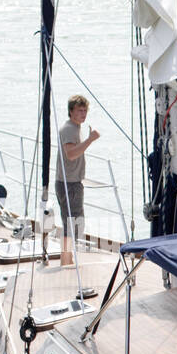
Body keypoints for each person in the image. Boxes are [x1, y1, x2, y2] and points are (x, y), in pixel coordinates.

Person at [55, 94, 99, 265]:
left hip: (71, 182)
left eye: (85, 110)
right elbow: (71, 154)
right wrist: (90, 139)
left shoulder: (74, 128)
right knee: (73, 223)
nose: (83, 113)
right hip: (69, 184)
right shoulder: (69, 130)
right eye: (80, 110)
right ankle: (65, 260)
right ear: (71, 111)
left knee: (73, 222)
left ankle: (68, 257)